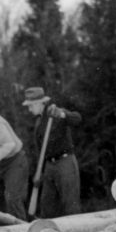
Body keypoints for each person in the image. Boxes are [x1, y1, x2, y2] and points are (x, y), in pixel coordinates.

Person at [21, 86, 82, 218]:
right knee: (47, 206)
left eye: (31, 106)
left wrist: (62, 114)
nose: (29, 109)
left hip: (65, 163)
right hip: (49, 166)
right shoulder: (38, 123)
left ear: (39, 103)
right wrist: (40, 173)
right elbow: (40, 151)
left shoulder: (56, 112)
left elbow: (77, 118)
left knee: (70, 204)